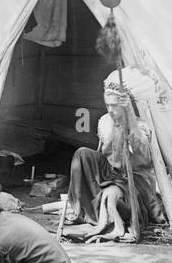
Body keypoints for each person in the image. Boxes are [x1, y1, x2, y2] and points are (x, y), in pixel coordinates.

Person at [66, 77, 165, 239]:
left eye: (114, 105)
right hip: (109, 172)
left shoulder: (139, 126)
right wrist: (90, 170)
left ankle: (106, 217)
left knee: (111, 196)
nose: (110, 109)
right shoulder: (105, 121)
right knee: (82, 153)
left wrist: (128, 125)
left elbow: (143, 160)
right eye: (107, 105)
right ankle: (80, 209)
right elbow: (100, 152)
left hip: (132, 176)